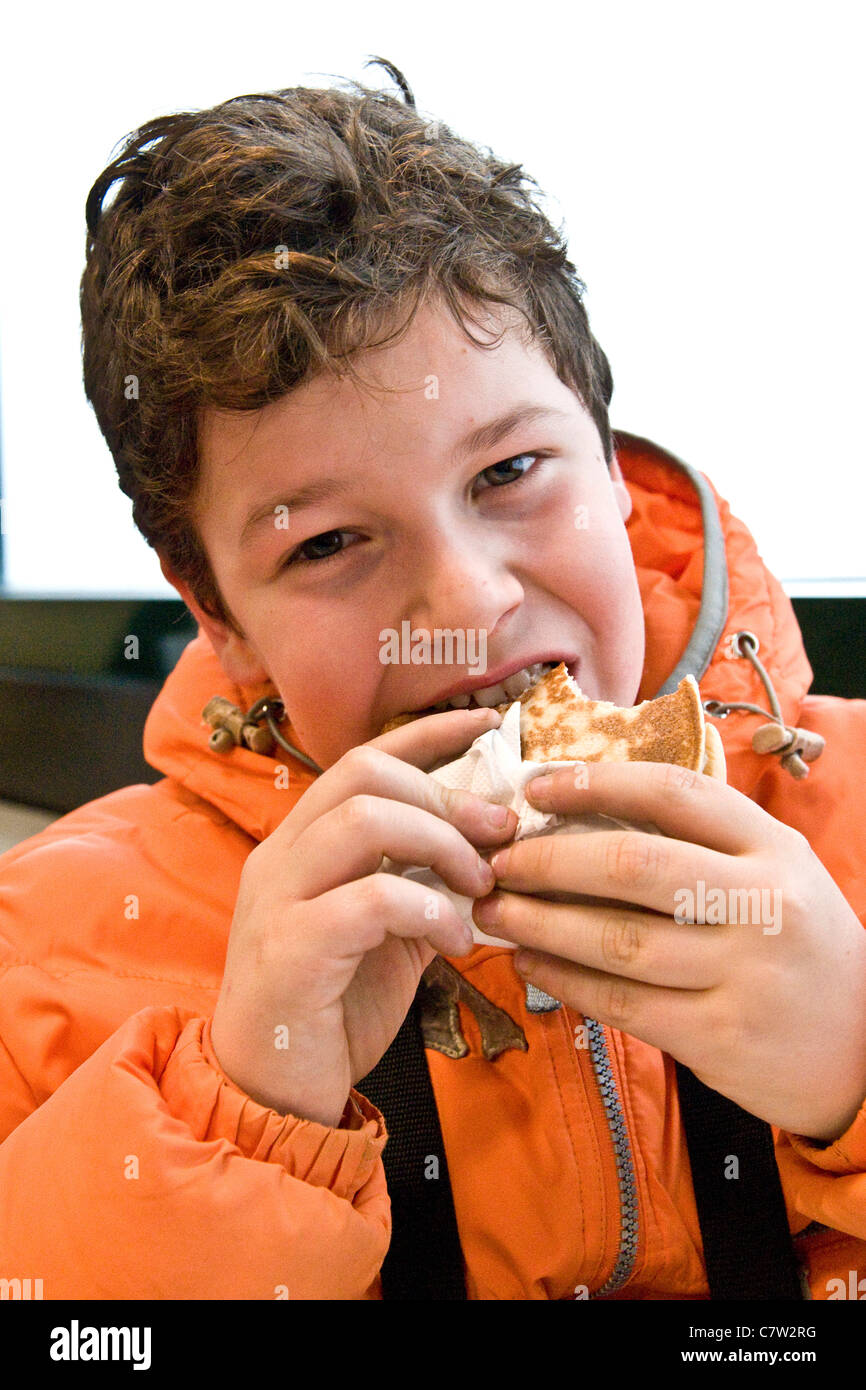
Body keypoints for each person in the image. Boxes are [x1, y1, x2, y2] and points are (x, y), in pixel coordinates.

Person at [1, 57, 864, 1302]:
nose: (464, 603)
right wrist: (244, 1114)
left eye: (510, 471)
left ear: (613, 465)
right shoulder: (43, 969)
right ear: (218, 618)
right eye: (329, 543)